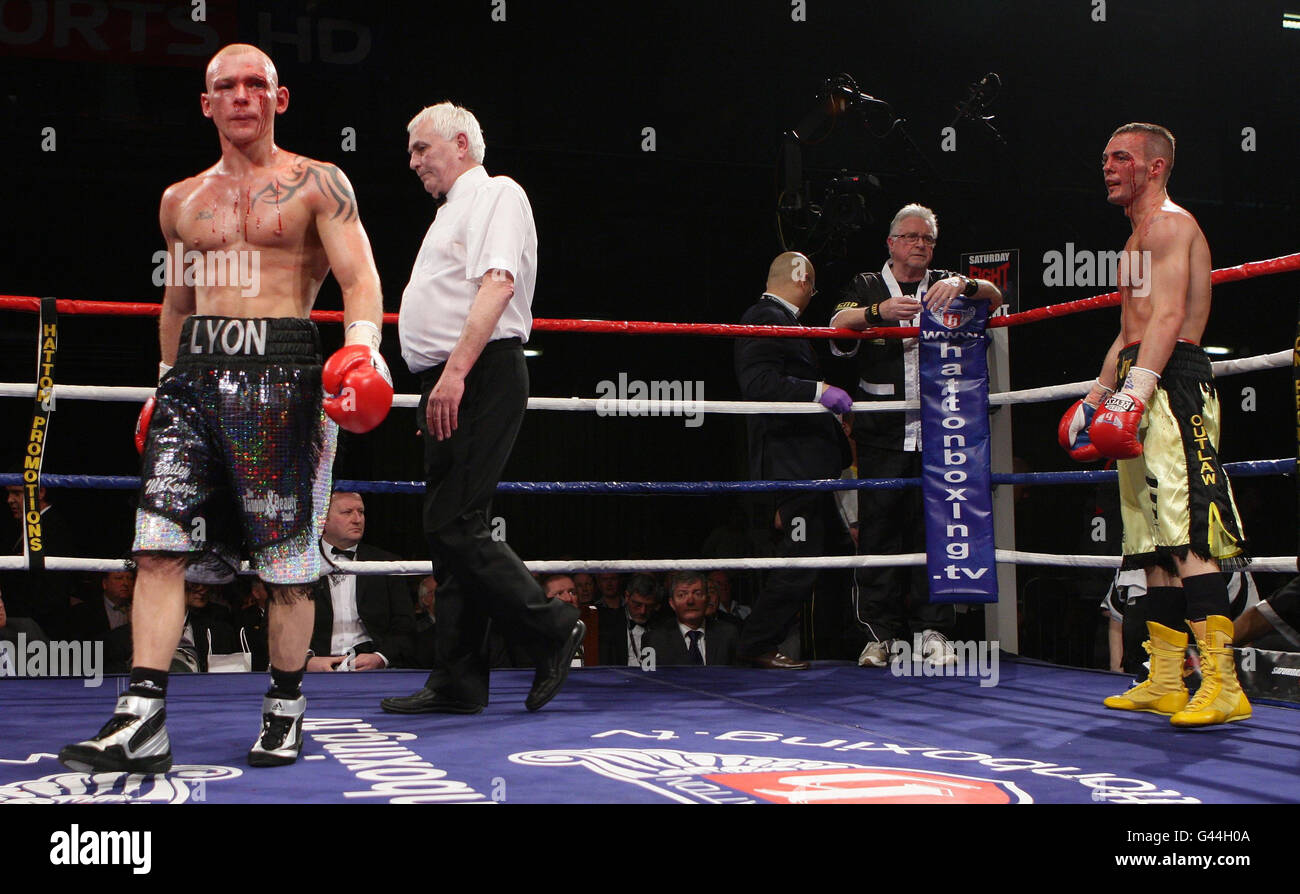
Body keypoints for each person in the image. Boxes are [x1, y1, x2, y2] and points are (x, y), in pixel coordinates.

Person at [60, 44, 391, 774]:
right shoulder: (181, 199)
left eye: (255, 84)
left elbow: (359, 277)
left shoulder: (318, 183)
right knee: (156, 542)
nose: (241, 96)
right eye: (225, 87)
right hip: (195, 380)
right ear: (206, 104)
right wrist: (161, 382)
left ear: (279, 99)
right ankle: (141, 719)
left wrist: (362, 350)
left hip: (285, 375)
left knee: (286, 563)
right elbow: (177, 302)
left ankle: (285, 708)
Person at [380, 102, 583, 717]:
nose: (413, 162)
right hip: (449, 378)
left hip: (478, 373)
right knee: (448, 536)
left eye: (422, 149)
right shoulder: (449, 214)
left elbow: (498, 283)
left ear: (461, 143)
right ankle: (459, 678)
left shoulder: (497, 192)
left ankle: (552, 626)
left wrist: (457, 373)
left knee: (454, 523)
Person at [1060, 123, 1248, 727]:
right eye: (1106, 157)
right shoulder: (1135, 240)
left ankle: (1223, 683)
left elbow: (1169, 316)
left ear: (1156, 167)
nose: (1109, 167)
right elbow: (1129, 331)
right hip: (1141, 376)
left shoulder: (1170, 226)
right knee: (1148, 539)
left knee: (1189, 529)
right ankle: (1167, 678)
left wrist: (1136, 393)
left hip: (1173, 384)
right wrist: (1096, 396)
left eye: (1123, 158)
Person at [830, 204, 1001, 669]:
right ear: (891, 243)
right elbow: (837, 324)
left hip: (942, 430)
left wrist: (965, 284)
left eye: (927, 238)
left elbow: (994, 296)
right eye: (910, 237)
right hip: (883, 431)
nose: (920, 245)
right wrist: (876, 312)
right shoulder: (866, 285)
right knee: (880, 531)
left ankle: (933, 630)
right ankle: (878, 633)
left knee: (939, 528)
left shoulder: (946, 280)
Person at [734, 251, 854, 669]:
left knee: (839, 559)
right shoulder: (762, 316)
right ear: (803, 282)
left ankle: (842, 647)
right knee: (800, 561)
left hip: (809, 469)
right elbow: (759, 383)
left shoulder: (785, 321)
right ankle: (755, 645)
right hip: (791, 469)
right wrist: (819, 391)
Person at [309, 491, 416, 670]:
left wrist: (381, 657)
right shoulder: (300, 565)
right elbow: (277, 626)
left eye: (361, 512)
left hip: (372, 666)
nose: (357, 519)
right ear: (323, 520)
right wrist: (307, 661)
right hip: (317, 665)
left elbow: (406, 624)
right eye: (347, 512)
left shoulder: (387, 563)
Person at [644, 572, 740, 666]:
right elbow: (648, 679)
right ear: (672, 603)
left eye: (697, 594)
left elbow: (740, 677)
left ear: (707, 599)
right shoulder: (654, 639)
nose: (690, 601)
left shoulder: (728, 634)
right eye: (682, 595)